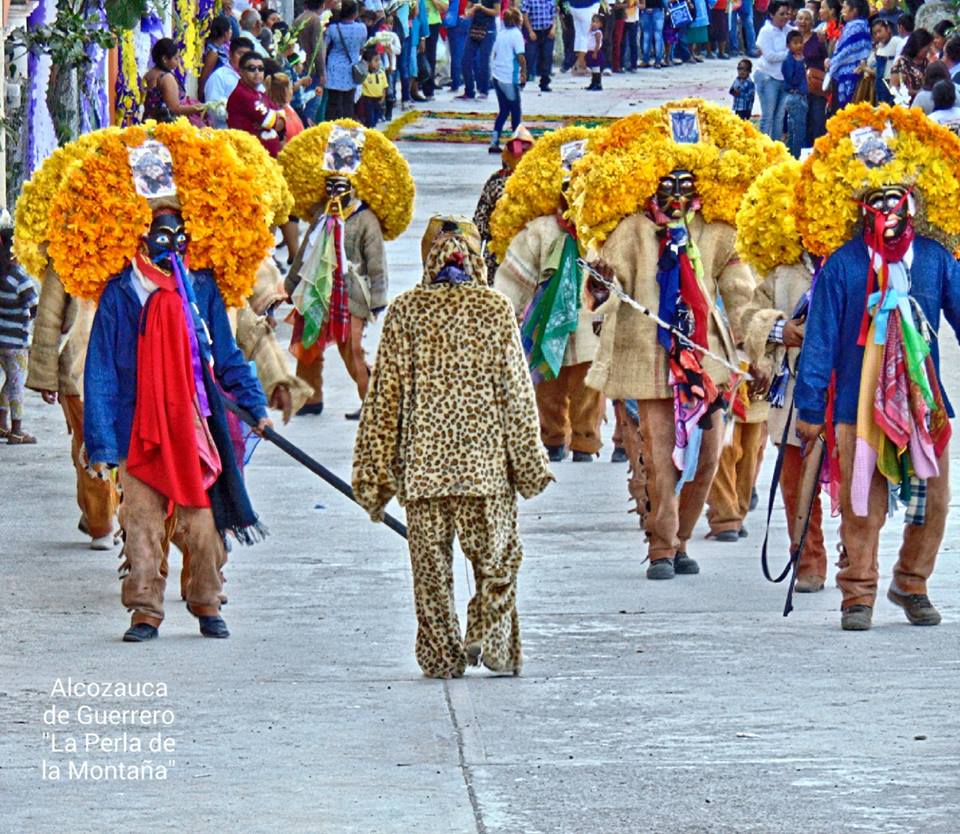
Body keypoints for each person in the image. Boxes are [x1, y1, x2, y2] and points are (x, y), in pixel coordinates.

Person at [574, 101, 776, 581]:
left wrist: (763, 341)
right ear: (651, 184)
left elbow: (742, 297)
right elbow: (606, 287)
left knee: (709, 454)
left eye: (688, 185)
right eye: (669, 185)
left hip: (707, 362)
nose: (679, 195)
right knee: (661, 458)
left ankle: (681, 536)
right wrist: (601, 283)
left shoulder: (722, 234)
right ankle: (662, 545)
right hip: (648, 359)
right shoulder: (631, 231)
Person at [352, 216, 553, 679]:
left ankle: (443, 657)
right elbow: (516, 396)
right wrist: (530, 465)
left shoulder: (406, 311)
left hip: (424, 474)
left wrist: (372, 477)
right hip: (485, 472)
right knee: (499, 561)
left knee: (431, 579)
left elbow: (384, 401)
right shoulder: (494, 309)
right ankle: (491, 639)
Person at [794, 108, 960, 631]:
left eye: (897, 198)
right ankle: (857, 594)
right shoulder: (841, 266)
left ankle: (911, 581)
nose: (889, 209)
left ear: (912, 202)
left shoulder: (936, 260)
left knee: (935, 498)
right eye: (878, 200)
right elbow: (818, 340)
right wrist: (808, 407)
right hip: (854, 407)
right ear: (863, 208)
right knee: (862, 500)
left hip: (923, 403)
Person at [735, 159, 828, 592]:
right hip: (792, 395)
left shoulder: (853, 263)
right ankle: (807, 562)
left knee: (854, 484)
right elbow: (748, 315)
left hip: (845, 391)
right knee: (795, 481)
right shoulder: (783, 272)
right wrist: (780, 329)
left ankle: (854, 562)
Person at [283, 124, 413, 418]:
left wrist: (378, 297)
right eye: (330, 185)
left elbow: (377, 261)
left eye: (340, 186)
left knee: (352, 350)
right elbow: (306, 252)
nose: (334, 192)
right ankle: (310, 396)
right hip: (318, 288)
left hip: (351, 293)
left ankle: (374, 402)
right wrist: (290, 286)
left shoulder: (366, 219)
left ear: (353, 187)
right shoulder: (322, 214)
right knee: (308, 345)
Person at [494, 134, 604, 464]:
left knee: (588, 383)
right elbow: (518, 273)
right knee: (547, 383)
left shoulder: (601, 229)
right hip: (545, 322)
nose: (572, 197)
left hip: (589, 323)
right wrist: (505, 310)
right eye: (567, 189)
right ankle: (553, 436)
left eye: (579, 189)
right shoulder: (541, 229)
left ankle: (585, 439)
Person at [474, 126, 535, 284]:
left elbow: (479, 223)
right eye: (517, 148)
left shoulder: (540, 183)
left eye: (523, 148)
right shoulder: (497, 181)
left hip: (528, 254)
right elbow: (480, 223)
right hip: (502, 255)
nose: (520, 153)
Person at [0, 218, 38, 446]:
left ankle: (2, 423)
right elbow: (34, 307)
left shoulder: (2, 274)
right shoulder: (19, 276)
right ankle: (16, 430)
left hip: (1, 340)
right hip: (16, 343)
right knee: (16, 383)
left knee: (9, 381)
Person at [227, 52, 286, 156]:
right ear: (240, 71)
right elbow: (276, 124)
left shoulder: (259, 94)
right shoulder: (243, 95)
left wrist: (276, 118)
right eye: (251, 68)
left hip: (265, 158)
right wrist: (275, 119)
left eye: (260, 68)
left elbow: (281, 117)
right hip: (248, 158)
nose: (257, 72)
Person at [142, 38, 207, 126]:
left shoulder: (149, 74)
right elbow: (174, 109)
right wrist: (201, 108)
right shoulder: (166, 78)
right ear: (164, 59)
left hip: (148, 123)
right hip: (164, 127)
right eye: (176, 58)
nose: (178, 61)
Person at [489, 9, 528, 153]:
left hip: (497, 76)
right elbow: (520, 57)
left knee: (504, 111)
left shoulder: (501, 33)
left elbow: (495, 54)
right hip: (509, 78)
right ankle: (516, 145)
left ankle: (494, 141)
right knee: (516, 112)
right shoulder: (517, 35)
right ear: (518, 20)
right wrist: (524, 72)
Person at [823, 0, 871, 110]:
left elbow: (846, 52)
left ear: (854, 10)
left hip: (850, 75)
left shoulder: (856, 27)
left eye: (845, 8)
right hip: (847, 74)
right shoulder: (859, 25)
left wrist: (832, 63)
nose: (842, 12)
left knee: (845, 114)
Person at [325, 0, 369, 119]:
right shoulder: (362, 28)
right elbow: (362, 46)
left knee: (333, 102)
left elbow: (324, 46)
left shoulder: (333, 28)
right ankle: (346, 125)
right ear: (355, 14)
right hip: (352, 67)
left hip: (334, 66)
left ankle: (331, 127)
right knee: (348, 101)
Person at [754, 1, 791, 141]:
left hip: (783, 78)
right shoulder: (766, 31)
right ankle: (762, 149)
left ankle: (776, 148)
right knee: (768, 116)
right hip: (767, 77)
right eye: (781, 14)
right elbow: (769, 56)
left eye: (787, 13)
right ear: (772, 14)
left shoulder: (789, 30)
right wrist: (790, 54)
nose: (785, 17)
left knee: (780, 117)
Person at [204, 37, 254, 127]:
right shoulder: (219, 76)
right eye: (240, 54)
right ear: (230, 54)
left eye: (247, 55)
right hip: (225, 132)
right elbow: (212, 107)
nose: (244, 59)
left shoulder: (254, 76)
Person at [795, 8, 827, 144]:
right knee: (801, 120)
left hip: (816, 85)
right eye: (800, 18)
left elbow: (826, 59)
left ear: (812, 22)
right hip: (799, 86)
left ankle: (817, 148)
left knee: (817, 118)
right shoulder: (792, 38)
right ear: (796, 21)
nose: (803, 22)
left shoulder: (818, 38)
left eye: (807, 19)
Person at [294, 0, 328, 125]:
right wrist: (322, 72)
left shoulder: (298, 19)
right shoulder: (315, 20)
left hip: (301, 66)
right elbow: (317, 49)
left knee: (303, 103)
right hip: (311, 68)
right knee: (312, 104)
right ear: (322, 5)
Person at [457, 0, 499, 100]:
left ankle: (484, 90)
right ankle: (469, 90)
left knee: (484, 60)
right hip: (474, 28)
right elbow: (467, 8)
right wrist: (469, 12)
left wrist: (482, 8)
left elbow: (496, 12)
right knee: (465, 60)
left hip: (488, 29)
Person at [863, 16, 903, 106]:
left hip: (892, 85)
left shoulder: (897, 42)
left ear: (888, 29)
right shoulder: (879, 48)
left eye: (880, 31)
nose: (878, 35)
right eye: (875, 33)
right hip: (880, 86)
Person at [890, 28, 934, 103]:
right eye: (927, 47)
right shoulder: (901, 63)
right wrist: (917, 93)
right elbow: (894, 88)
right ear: (918, 46)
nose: (929, 50)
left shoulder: (926, 62)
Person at [783, 29, 808, 158]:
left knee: (795, 129)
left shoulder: (797, 58)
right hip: (795, 97)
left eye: (800, 42)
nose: (799, 45)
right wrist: (799, 64)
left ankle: (791, 155)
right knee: (798, 131)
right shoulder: (789, 60)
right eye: (795, 43)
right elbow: (792, 79)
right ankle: (795, 157)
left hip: (800, 96)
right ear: (788, 45)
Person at [522, 0, 557, 92]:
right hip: (534, 31)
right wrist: (529, 31)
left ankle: (545, 82)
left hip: (547, 31)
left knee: (547, 56)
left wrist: (553, 28)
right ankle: (522, 80)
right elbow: (525, 15)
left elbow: (553, 15)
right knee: (529, 57)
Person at [199, 15, 234, 98]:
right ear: (226, 33)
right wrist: (201, 97)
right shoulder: (213, 53)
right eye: (230, 29)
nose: (231, 32)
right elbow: (204, 78)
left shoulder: (222, 47)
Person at [570, 0, 601, 75]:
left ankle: (577, 64)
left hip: (574, 6)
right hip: (588, 6)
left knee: (579, 35)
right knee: (586, 36)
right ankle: (580, 64)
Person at [359, 47, 388, 127]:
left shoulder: (381, 72)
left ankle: (372, 129)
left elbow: (384, 87)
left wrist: (383, 97)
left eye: (379, 60)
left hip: (378, 99)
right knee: (369, 119)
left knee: (375, 118)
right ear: (367, 62)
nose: (378, 63)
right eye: (375, 60)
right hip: (368, 99)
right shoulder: (364, 74)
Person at [639, 0, 665, 68]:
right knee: (652, 36)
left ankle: (652, 60)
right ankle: (653, 60)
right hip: (650, 9)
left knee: (653, 36)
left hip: (654, 9)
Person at [585, 13, 604, 89]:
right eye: (593, 22)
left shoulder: (598, 33)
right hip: (590, 51)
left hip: (595, 52)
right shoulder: (591, 32)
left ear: (600, 24)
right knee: (593, 69)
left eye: (596, 22)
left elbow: (598, 43)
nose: (594, 24)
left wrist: (595, 52)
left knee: (596, 68)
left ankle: (598, 83)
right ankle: (593, 83)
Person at [623, 0, 640, 70]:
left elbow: (642, 5)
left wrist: (636, 4)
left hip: (633, 20)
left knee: (633, 43)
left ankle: (633, 65)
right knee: (623, 43)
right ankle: (623, 64)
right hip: (623, 19)